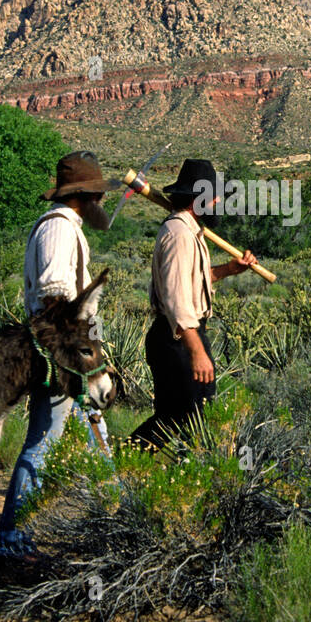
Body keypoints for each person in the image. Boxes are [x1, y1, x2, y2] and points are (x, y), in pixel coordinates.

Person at [0, 150, 112, 561]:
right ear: (84, 195)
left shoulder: (64, 227)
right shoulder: (60, 231)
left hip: (70, 353)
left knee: (96, 438)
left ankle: (118, 528)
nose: (101, 202)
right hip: (63, 357)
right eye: (97, 194)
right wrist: (79, 351)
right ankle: (11, 542)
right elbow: (54, 295)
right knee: (43, 443)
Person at [129, 159, 256, 449]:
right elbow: (176, 299)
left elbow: (192, 282)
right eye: (214, 196)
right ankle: (121, 466)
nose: (218, 201)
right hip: (177, 339)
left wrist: (229, 270)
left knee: (183, 416)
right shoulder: (179, 235)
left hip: (182, 337)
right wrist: (196, 351)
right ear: (198, 198)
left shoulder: (189, 231)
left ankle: (132, 469)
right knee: (182, 417)